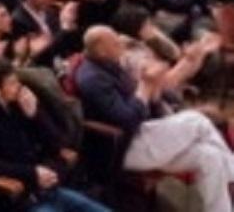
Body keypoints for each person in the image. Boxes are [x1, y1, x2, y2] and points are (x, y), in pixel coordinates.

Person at [75, 25, 234, 212]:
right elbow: (126, 120)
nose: (120, 43)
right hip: (123, 148)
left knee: (210, 156)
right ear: (101, 50)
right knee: (196, 120)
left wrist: (154, 89)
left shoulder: (112, 66)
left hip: (144, 135)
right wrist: (145, 86)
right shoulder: (92, 79)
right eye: (114, 42)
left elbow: (151, 108)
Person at [0, 57, 107, 212]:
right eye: (12, 83)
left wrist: (36, 115)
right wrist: (31, 173)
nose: (19, 86)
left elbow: (59, 143)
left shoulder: (17, 105)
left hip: (45, 190)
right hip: (18, 199)